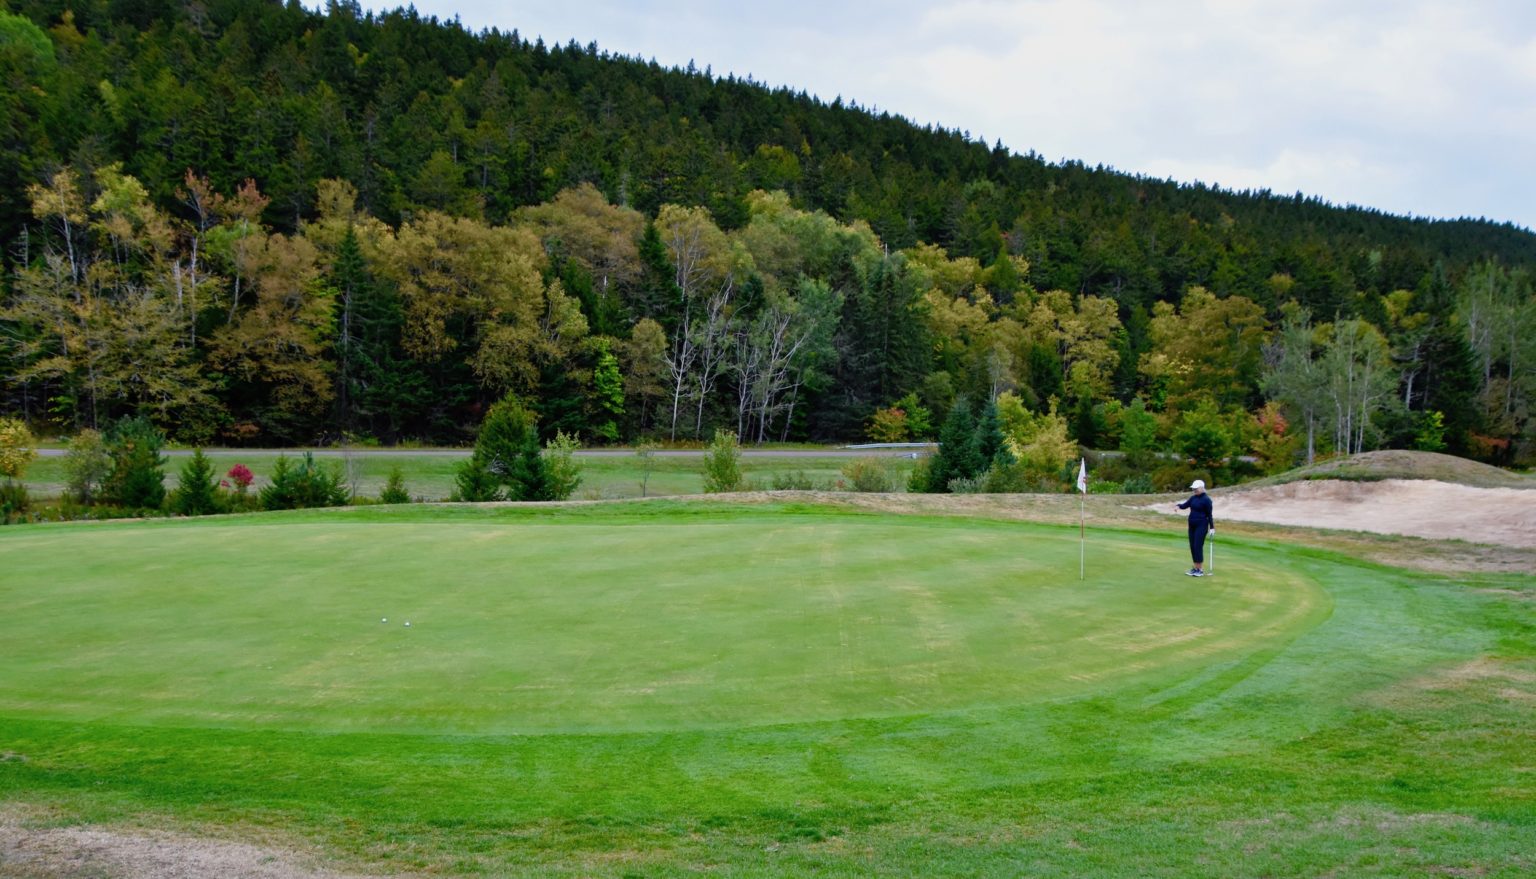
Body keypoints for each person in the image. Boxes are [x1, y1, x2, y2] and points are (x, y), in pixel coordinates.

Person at [1174, 479, 1214, 576]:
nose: (1194, 490)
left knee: (1197, 546)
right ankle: (1195, 568)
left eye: (1196, 488)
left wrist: (1212, 527)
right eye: (1193, 489)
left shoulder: (1207, 500)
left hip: (1202, 525)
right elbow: (1184, 506)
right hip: (1192, 525)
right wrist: (1178, 506)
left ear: (1201, 488)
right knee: (1192, 546)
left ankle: (1199, 570)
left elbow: (1209, 515)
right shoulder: (1193, 498)